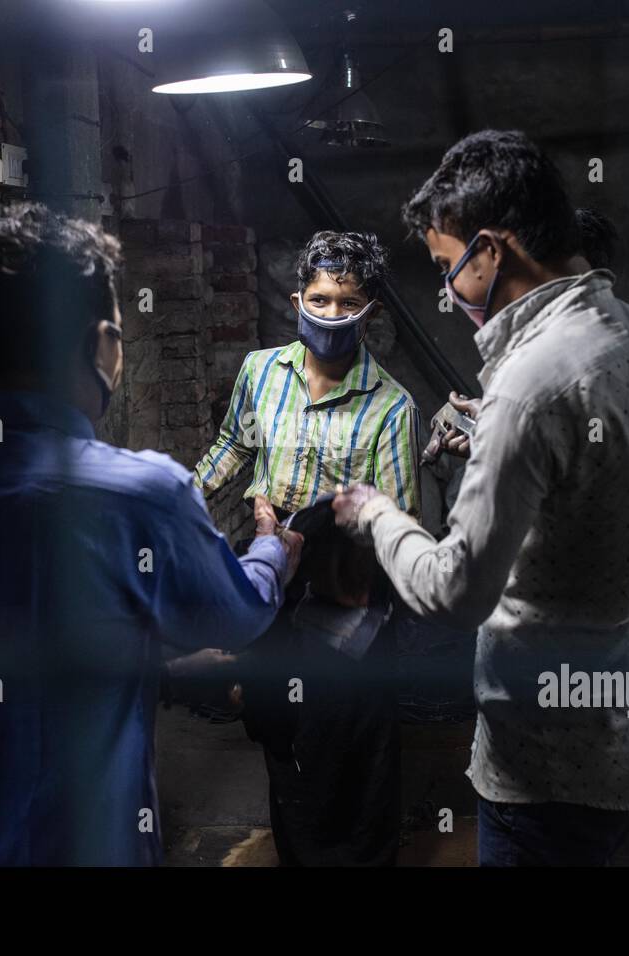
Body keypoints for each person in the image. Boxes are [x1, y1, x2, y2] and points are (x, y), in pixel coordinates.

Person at [0, 202, 302, 867]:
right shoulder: (140, 497)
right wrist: (275, 550)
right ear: (102, 343)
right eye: (120, 335)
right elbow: (238, 614)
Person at [333, 129, 629, 866]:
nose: (447, 292)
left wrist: (378, 515)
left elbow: (455, 592)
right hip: (613, 732)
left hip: (543, 769)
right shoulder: (619, 337)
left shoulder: (531, 380)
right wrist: (507, 454)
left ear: (491, 251)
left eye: (448, 267)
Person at [193, 230, 421, 865]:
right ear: (297, 298)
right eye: (317, 300)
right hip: (271, 579)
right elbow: (234, 447)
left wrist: (323, 532)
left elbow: (397, 526)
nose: (329, 315)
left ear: (370, 310)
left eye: (345, 303)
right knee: (285, 741)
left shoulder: (392, 408)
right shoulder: (261, 372)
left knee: (352, 748)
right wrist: (179, 499)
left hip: (346, 595)